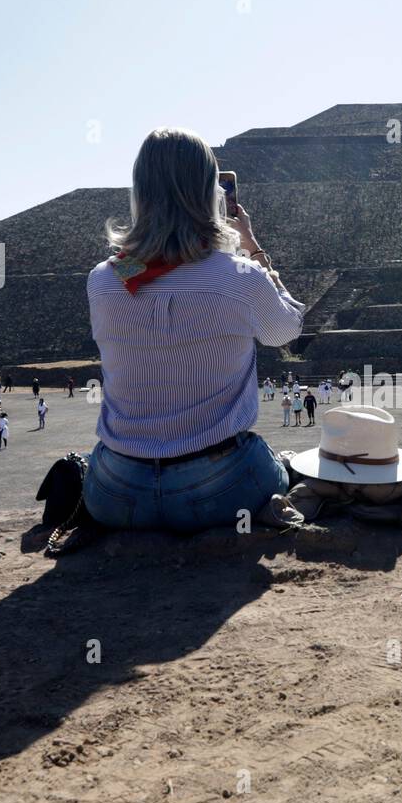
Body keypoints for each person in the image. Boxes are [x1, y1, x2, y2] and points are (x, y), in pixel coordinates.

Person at [81, 127, 303, 532]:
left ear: (140, 191)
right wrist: (252, 246)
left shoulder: (104, 279)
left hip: (114, 491)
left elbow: (148, 274)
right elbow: (286, 330)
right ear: (209, 192)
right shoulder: (240, 276)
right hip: (220, 489)